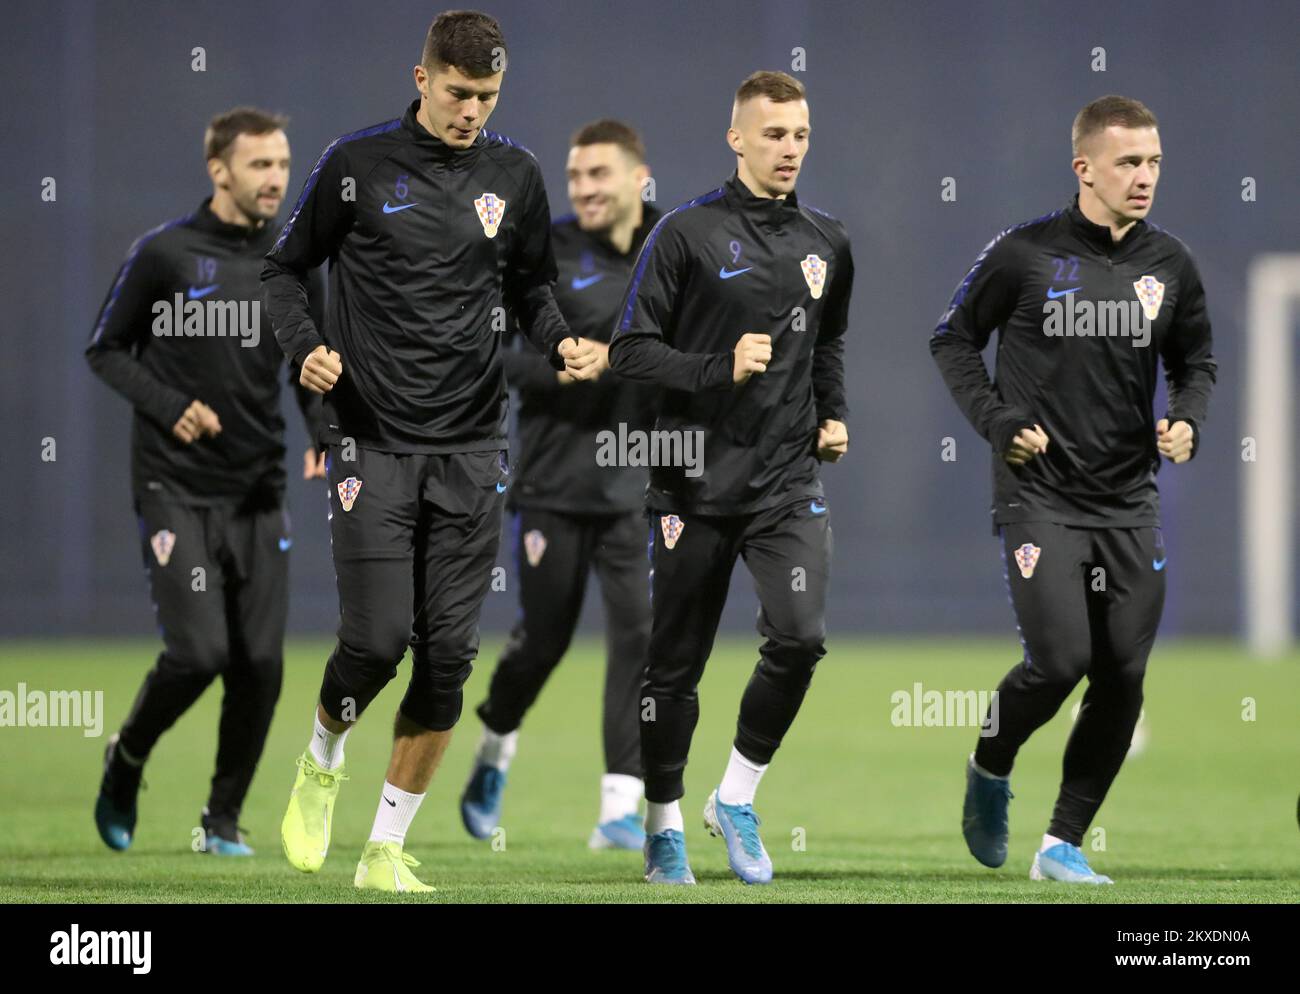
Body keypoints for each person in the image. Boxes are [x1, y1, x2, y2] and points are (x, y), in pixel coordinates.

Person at [262, 9, 595, 892]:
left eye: (487, 96)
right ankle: (322, 755)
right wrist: (307, 348)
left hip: (473, 448)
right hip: (371, 442)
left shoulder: (515, 175)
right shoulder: (355, 166)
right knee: (375, 643)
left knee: (448, 659)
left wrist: (559, 340)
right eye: (457, 93)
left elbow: (531, 287)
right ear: (422, 80)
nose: (471, 111)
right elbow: (281, 272)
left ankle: (381, 850)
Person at [930, 95, 1216, 884]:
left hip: (1129, 499)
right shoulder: (1023, 255)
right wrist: (995, 418)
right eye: (1129, 162)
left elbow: (1197, 362)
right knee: (1058, 663)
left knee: (1122, 672)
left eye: (1154, 161)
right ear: (1084, 167)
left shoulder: (1170, 265)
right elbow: (951, 338)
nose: (1145, 176)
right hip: (1039, 494)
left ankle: (1062, 845)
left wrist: (1188, 419)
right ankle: (990, 762)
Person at [607, 71, 853, 885]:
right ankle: (664, 824)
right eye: (775, 134)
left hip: (786, 480)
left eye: (801, 135)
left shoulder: (828, 241)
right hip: (690, 481)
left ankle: (736, 796)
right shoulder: (684, 234)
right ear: (737, 138)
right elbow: (631, 352)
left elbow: (826, 346)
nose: (790, 149)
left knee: (801, 638)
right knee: (673, 668)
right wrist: (719, 366)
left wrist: (832, 412)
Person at [88, 107, 324, 856]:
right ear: (218, 169)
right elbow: (105, 347)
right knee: (199, 653)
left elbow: (307, 367)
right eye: (259, 165)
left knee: (261, 665)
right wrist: (170, 407)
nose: (275, 179)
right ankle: (126, 759)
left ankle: (220, 821)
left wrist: (323, 434)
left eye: (283, 164)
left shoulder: (288, 264)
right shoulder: (166, 254)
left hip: (258, 492)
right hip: (176, 487)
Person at [460, 119, 660, 851]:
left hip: (638, 482)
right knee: (542, 641)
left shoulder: (672, 247)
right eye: (576, 178)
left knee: (639, 635)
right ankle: (494, 747)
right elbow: (491, 352)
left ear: (640, 179)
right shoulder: (545, 254)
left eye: (598, 175)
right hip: (552, 482)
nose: (584, 190)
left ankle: (619, 807)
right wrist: (563, 364)